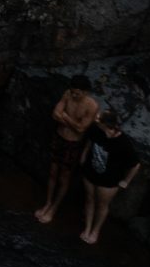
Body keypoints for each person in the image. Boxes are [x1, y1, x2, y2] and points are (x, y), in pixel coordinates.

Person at [33, 79, 100, 225]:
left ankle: (54, 209)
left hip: (73, 144)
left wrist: (66, 117)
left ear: (85, 92)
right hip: (59, 137)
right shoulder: (67, 94)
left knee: (64, 177)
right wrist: (72, 123)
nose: (74, 95)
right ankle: (48, 203)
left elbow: (81, 129)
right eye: (73, 92)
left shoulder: (92, 105)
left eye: (77, 93)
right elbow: (55, 114)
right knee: (52, 172)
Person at [75, 108, 139, 244]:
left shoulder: (123, 143)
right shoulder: (96, 130)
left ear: (107, 125)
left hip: (109, 179)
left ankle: (95, 230)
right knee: (89, 199)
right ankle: (87, 227)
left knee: (102, 204)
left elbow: (135, 164)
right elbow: (90, 141)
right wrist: (83, 156)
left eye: (99, 120)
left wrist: (126, 181)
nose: (96, 120)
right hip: (91, 170)